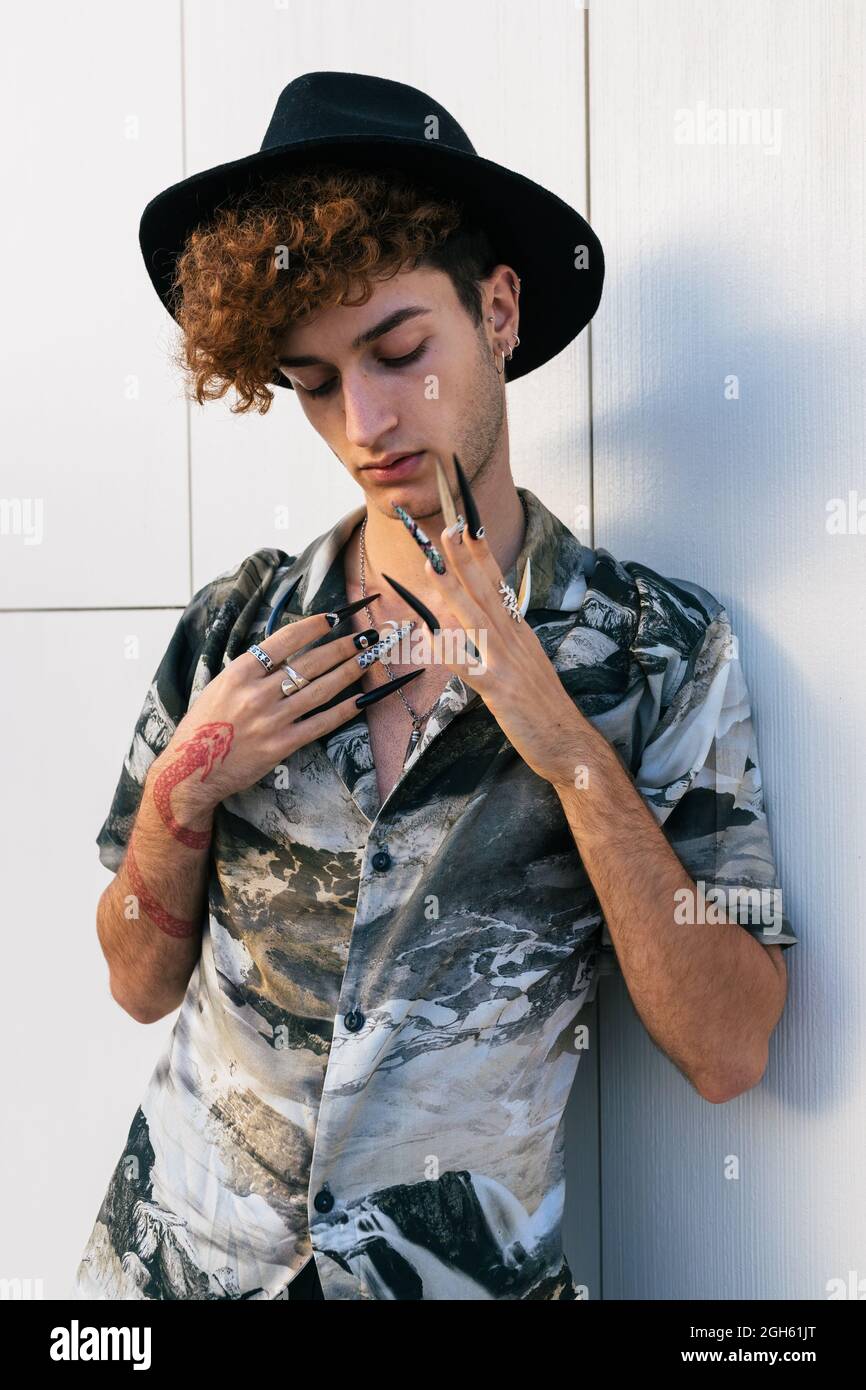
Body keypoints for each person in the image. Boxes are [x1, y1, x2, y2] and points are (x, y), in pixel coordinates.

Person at [74, 72, 797, 1302]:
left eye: (399, 350)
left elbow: (728, 1049)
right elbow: (137, 983)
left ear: (498, 309)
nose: (365, 420)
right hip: (164, 1281)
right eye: (311, 380)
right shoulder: (232, 628)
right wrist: (183, 789)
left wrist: (564, 745)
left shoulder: (659, 649)